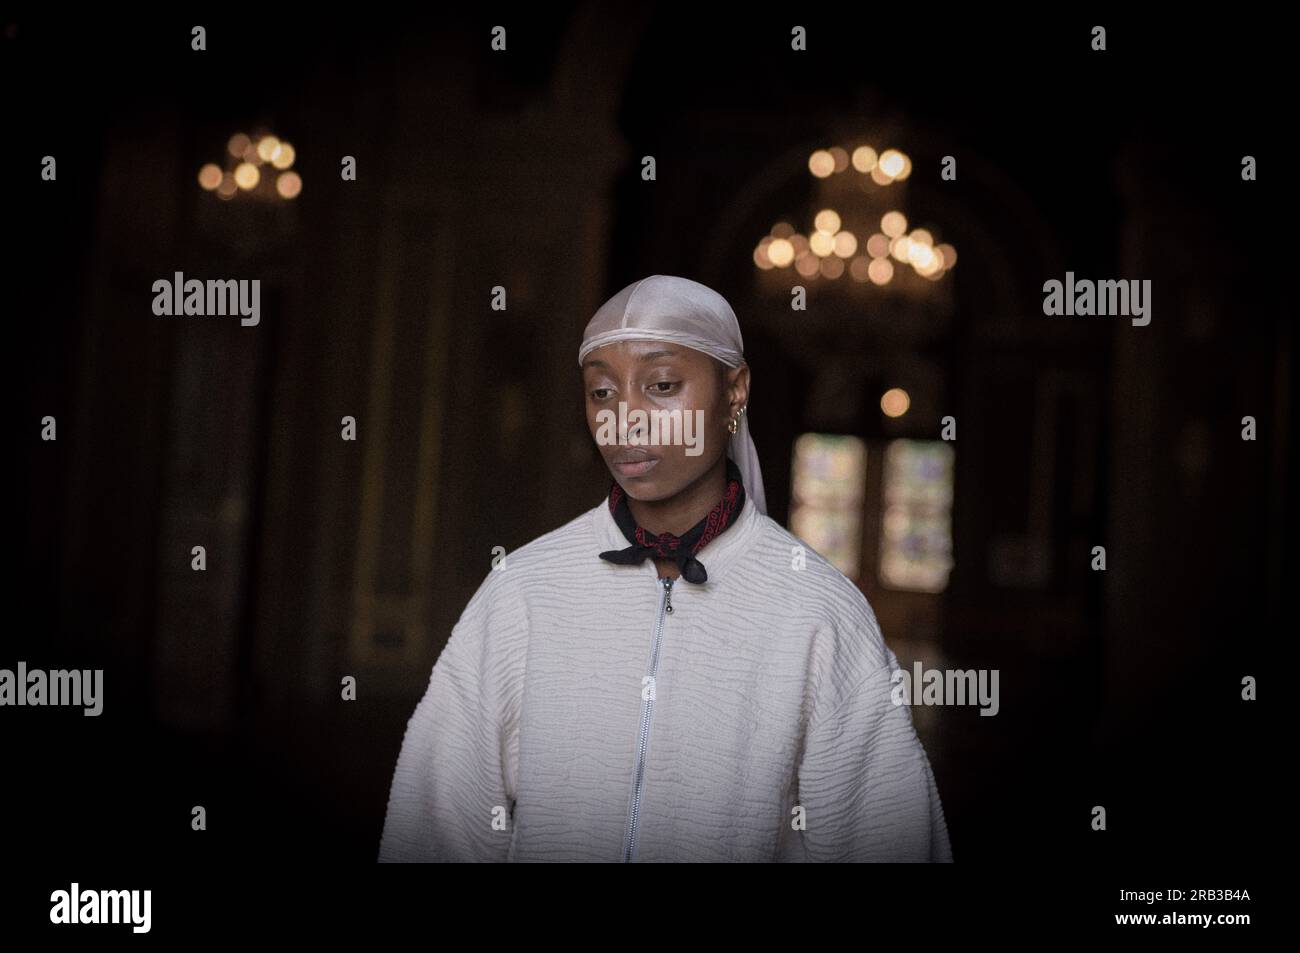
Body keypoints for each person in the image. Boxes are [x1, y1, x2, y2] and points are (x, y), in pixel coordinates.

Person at [378, 274, 953, 862]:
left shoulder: (817, 608)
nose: (625, 418)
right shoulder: (523, 592)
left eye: (661, 385)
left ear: (735, 392)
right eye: (601, 392)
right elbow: (435, 826)